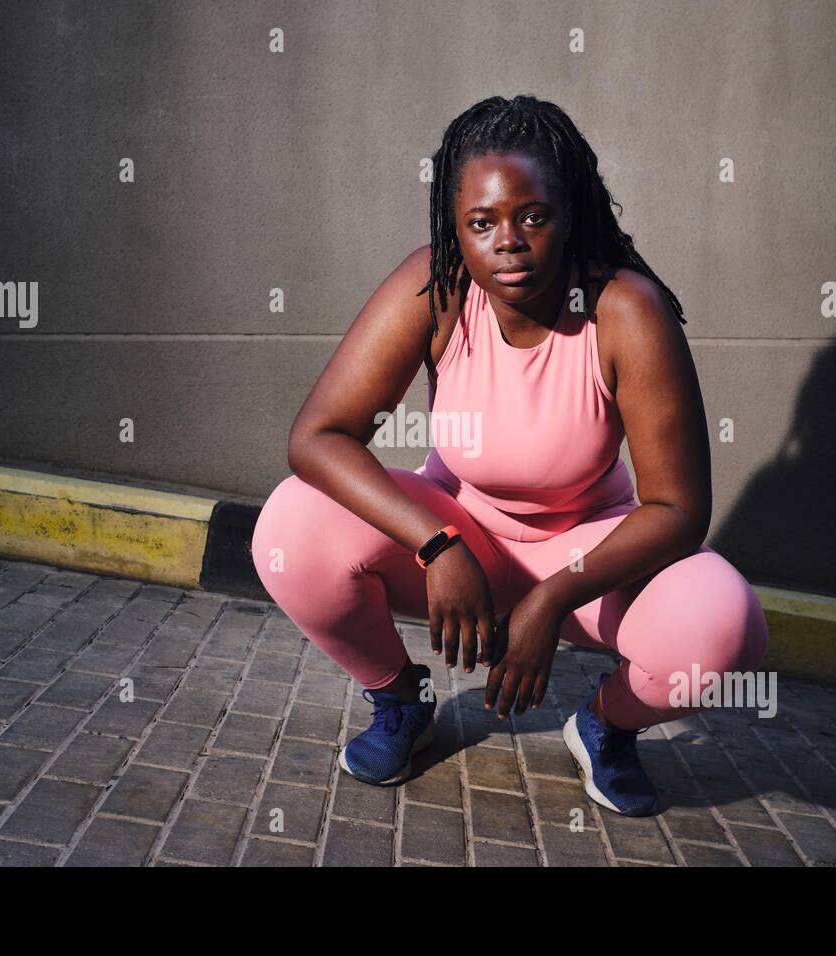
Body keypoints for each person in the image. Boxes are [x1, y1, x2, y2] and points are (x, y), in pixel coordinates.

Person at [251, 95, 769, 817]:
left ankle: (605, 727)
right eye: (482, 222)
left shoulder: (626, 310)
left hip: (586, 548)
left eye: (533, 216)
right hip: (462, 529)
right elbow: (319, 436)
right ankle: (403, 701)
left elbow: (679, 511)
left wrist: (553, 597)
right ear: (455, 229)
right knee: (291, 527)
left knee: (724, 626)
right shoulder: (436, 287)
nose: (509, 242)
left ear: (570, 214)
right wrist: (438, 545)